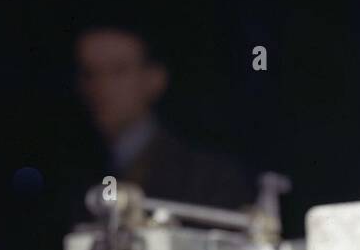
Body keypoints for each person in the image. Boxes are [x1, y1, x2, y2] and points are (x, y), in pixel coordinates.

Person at [71, 21, 254, 213]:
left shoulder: (208, 177)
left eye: (118, 71)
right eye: (89, 73)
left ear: (154, 78)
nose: (101, 87)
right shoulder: (74, 172)